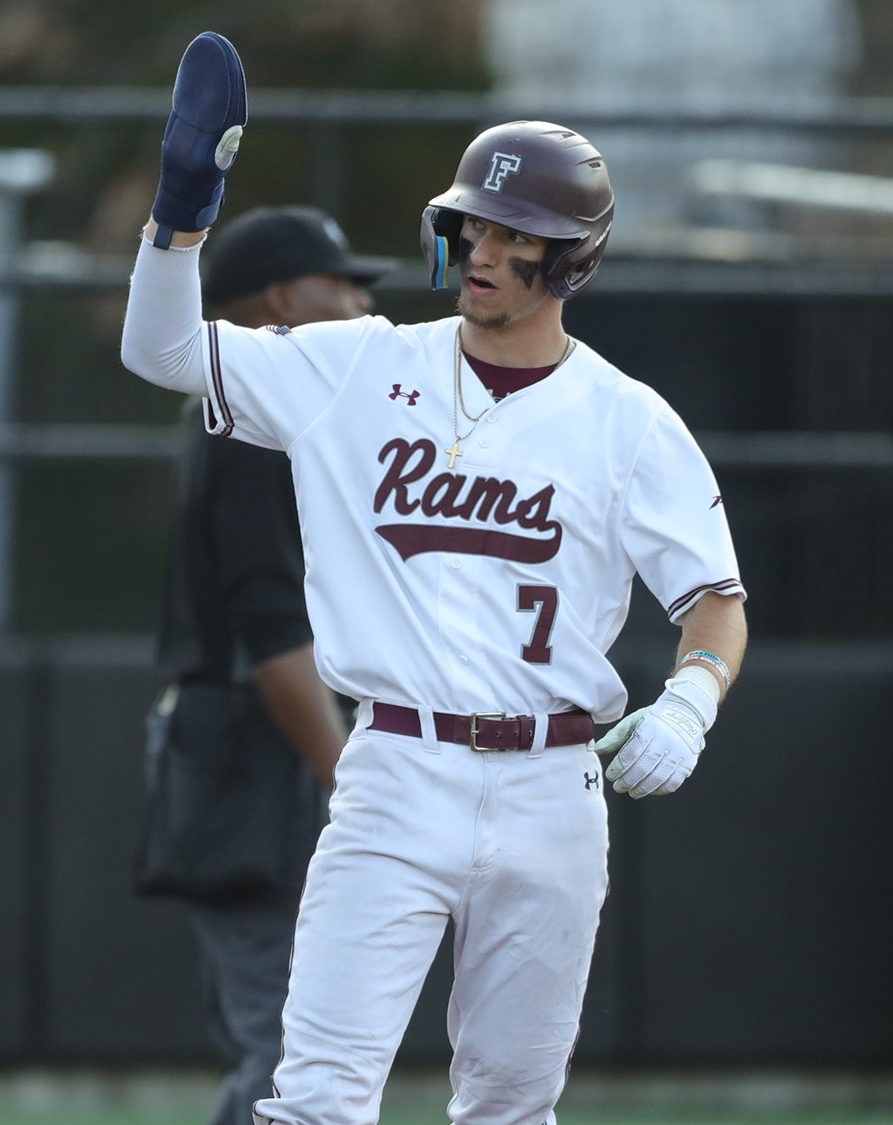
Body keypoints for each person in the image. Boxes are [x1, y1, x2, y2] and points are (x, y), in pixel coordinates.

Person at [121, 34, 748, 1125]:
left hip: (555, 785)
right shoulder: (358, 360)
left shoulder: (627, 419)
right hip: (396, 765)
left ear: (572, 261)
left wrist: (690, 703)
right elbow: (162, 354)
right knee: (314, 1099)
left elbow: (714, 604)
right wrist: (179, 219)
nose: (483, 251)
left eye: (517, 235)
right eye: (472, 224)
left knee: (510, 1108)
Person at [140, 206, 390, 1125]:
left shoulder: (261, 411)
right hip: (252, 760)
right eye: (345, 284)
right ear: (283, 298)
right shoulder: (249, 415)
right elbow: (275, 642)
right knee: (292, 1052)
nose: (363, 304)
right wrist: (351, 782)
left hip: (241, 755)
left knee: (285, 1046)